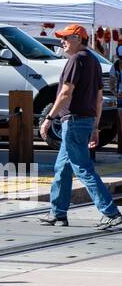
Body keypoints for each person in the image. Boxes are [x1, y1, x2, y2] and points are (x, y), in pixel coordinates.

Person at [40, 23, 122, 229]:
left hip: (74, 121)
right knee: (62, 168)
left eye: (66, 38)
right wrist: (95, 126)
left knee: (83, 169)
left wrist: (49, 118)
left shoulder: (76, 60)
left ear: (79, 38)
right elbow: (99, 98)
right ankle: (58, 213)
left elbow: (65, 92)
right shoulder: (94, 61)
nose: (62, 42)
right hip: (84, 122)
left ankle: (110, 211)